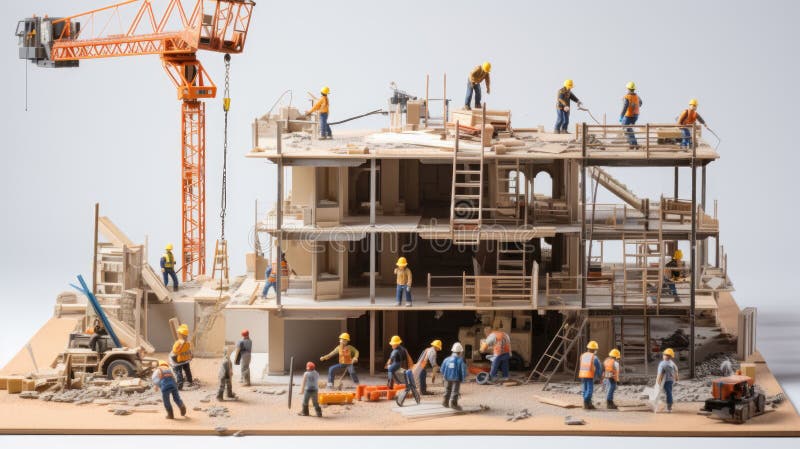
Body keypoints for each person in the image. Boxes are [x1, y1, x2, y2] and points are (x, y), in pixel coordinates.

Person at [441, 342, 467, 410]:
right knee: (455, 391)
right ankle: (453, 404)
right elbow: (463, 371)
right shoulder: (460, 360)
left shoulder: (446, 359)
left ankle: (445, 402)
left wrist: (444, 376)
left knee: (447, 389)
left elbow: (442, 369)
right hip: (456, 378)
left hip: (447, 377)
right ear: (460, 352)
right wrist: (463, 378)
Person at [578, 340, 603, 409]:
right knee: (589, 390)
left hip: (582, 374)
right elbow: (598, 368)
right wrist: (600, 377)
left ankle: (588, 403)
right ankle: (586, 402)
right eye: (596, 349)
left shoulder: (583, 355)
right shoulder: (594, 357)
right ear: (594, 349)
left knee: (585, 389)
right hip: (589, 375)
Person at [620, 81, 643, 148]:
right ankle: (632, 143)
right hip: (635, 116)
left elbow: (625, 106)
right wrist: (635, 106)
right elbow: (641, 103)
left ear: (628, 88)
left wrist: (621, 116)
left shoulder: (627, 97)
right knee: (629, 129)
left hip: (628, 115)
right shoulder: (637, 96)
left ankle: (633, 143)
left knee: (626, 128)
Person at [170, 324, 193, 390]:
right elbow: (189, 350)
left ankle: (179, 385)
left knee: (178, 372)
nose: (177, 334)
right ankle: (189, 381)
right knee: (187, 370)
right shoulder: (187, 343)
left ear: (180, 334)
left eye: (178, 333)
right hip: (186, 359)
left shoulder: (178, 343)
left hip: (178, 360)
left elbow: (174, 351)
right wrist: (190, 355)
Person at [657, 348, 679, 413]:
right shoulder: (671, 362)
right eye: (664, 354)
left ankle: (669, 407)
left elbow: (659, 374)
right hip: (670, 380)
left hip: (665, 381)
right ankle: (669, 406)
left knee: (668, 393)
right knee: (669, 392)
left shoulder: (662, 364)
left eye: (665, 355)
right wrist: (676, 377)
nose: (664, 356)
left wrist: (658, 381)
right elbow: (676, 369)